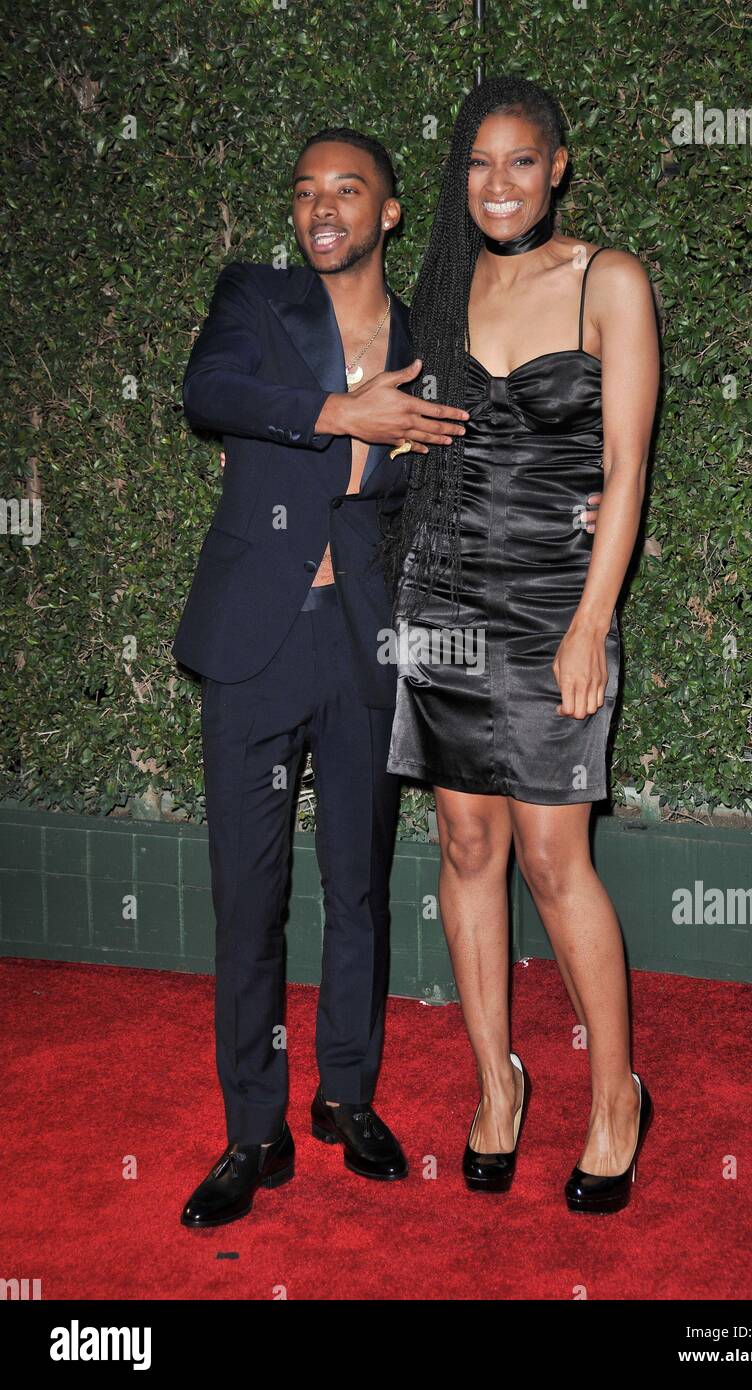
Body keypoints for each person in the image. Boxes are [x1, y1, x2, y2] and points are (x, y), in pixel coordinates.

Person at [173, 127, 472, 1228]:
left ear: (388, 212)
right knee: (247, 899)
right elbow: (211, 395)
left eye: (348, 189)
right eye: (305, 191)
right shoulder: (254, 298)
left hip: (362, 643)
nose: (322, 206)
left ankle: (344, 1093)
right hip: (254, 642)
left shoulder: (428, 337)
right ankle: (253, 1129)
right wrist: (341, 416)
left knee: (356, 887)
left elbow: (438, 478)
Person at [382, 78, 660, 1212]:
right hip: (441, 593)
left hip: (556, 604)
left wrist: (591, 619)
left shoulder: (608, 280)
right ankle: (495, 1084)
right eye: (477, 164)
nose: (497, 184)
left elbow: (625, 469)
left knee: (553, 858)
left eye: (519, 162)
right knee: (462, 844)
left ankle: (613, 1100)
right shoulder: (438, 292)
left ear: (557, 168)